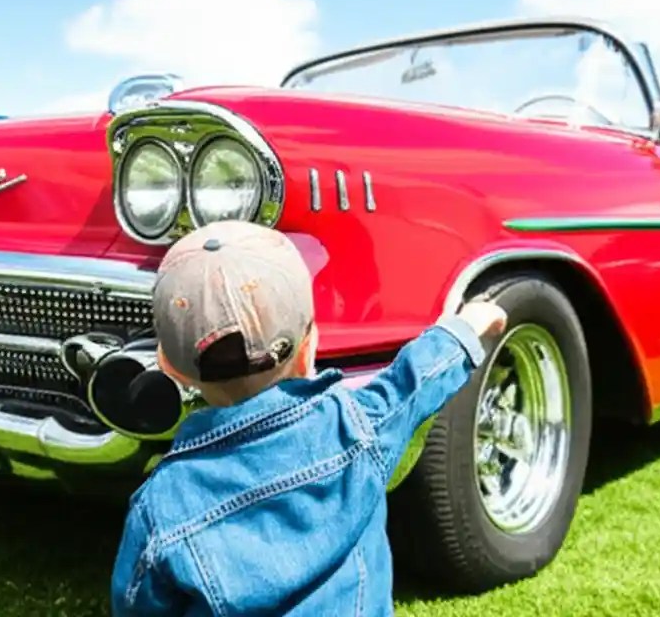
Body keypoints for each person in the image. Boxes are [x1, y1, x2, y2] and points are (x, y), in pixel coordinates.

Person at [110, 220, 507, 616]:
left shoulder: (161, 504)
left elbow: (136, 605)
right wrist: (467, 325)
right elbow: (415, 379)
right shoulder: (356, 425)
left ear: (171, 367)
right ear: (308, 347)